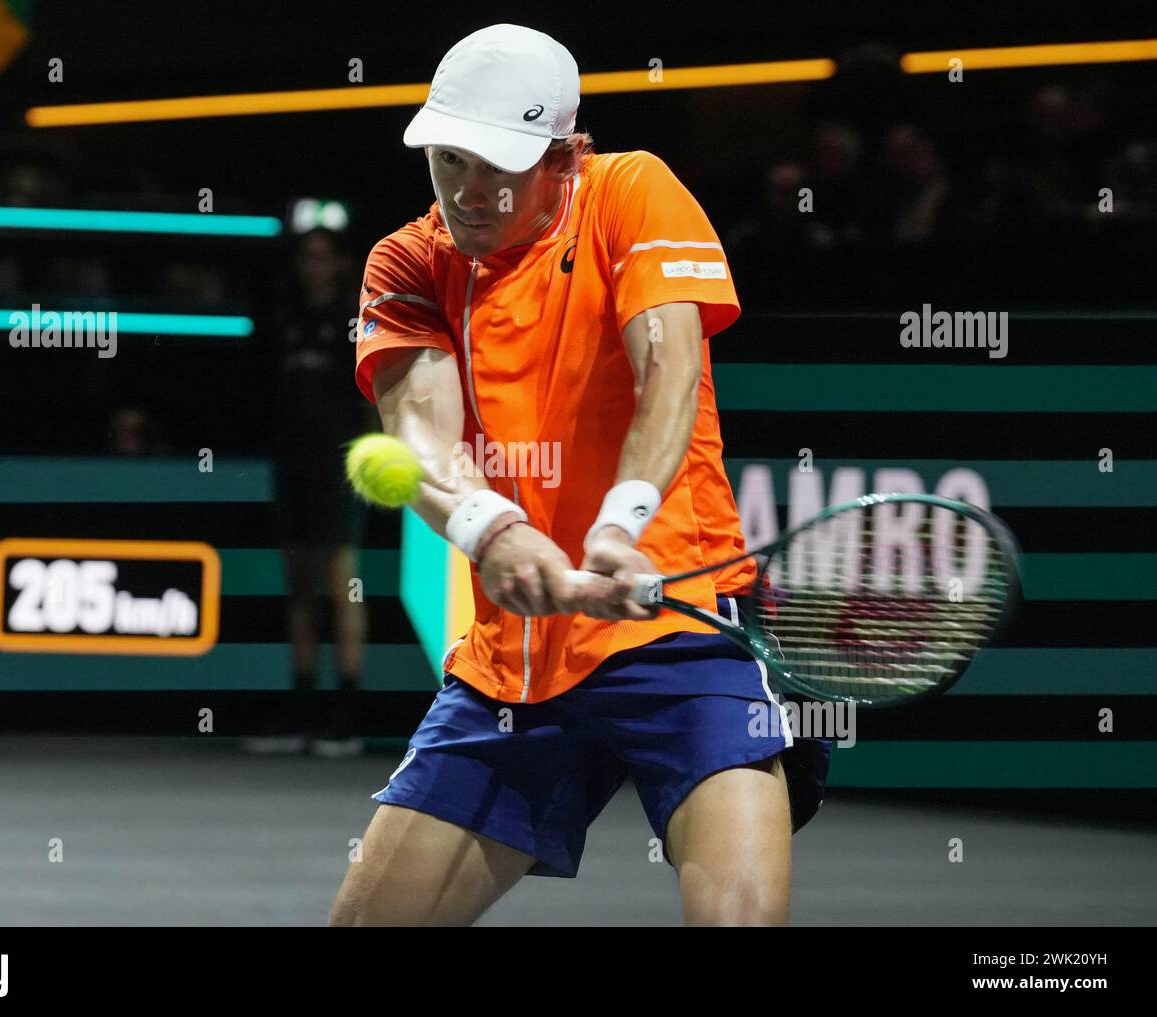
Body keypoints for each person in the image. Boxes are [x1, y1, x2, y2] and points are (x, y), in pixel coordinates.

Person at [329, 24, 830, 926]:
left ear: (564, 153)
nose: (469, 191)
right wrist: (491, 529)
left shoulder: (633, 190)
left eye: (498, 167)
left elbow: (670, 369)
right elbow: (417, 435)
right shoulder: (407, 260)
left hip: (681, 635)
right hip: (513, 665)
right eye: (449, 160)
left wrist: (617, 527)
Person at [250, 227, 371, 758]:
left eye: (323, 257)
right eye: (307, 258)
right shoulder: (284, 320)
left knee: (342, 584)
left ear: (340, 263)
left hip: (340, 469)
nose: (313, 266)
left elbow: (372, 396)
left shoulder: (355, 320)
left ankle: (345, 713)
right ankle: (301, 706)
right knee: (297, 585)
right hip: (292, 466)